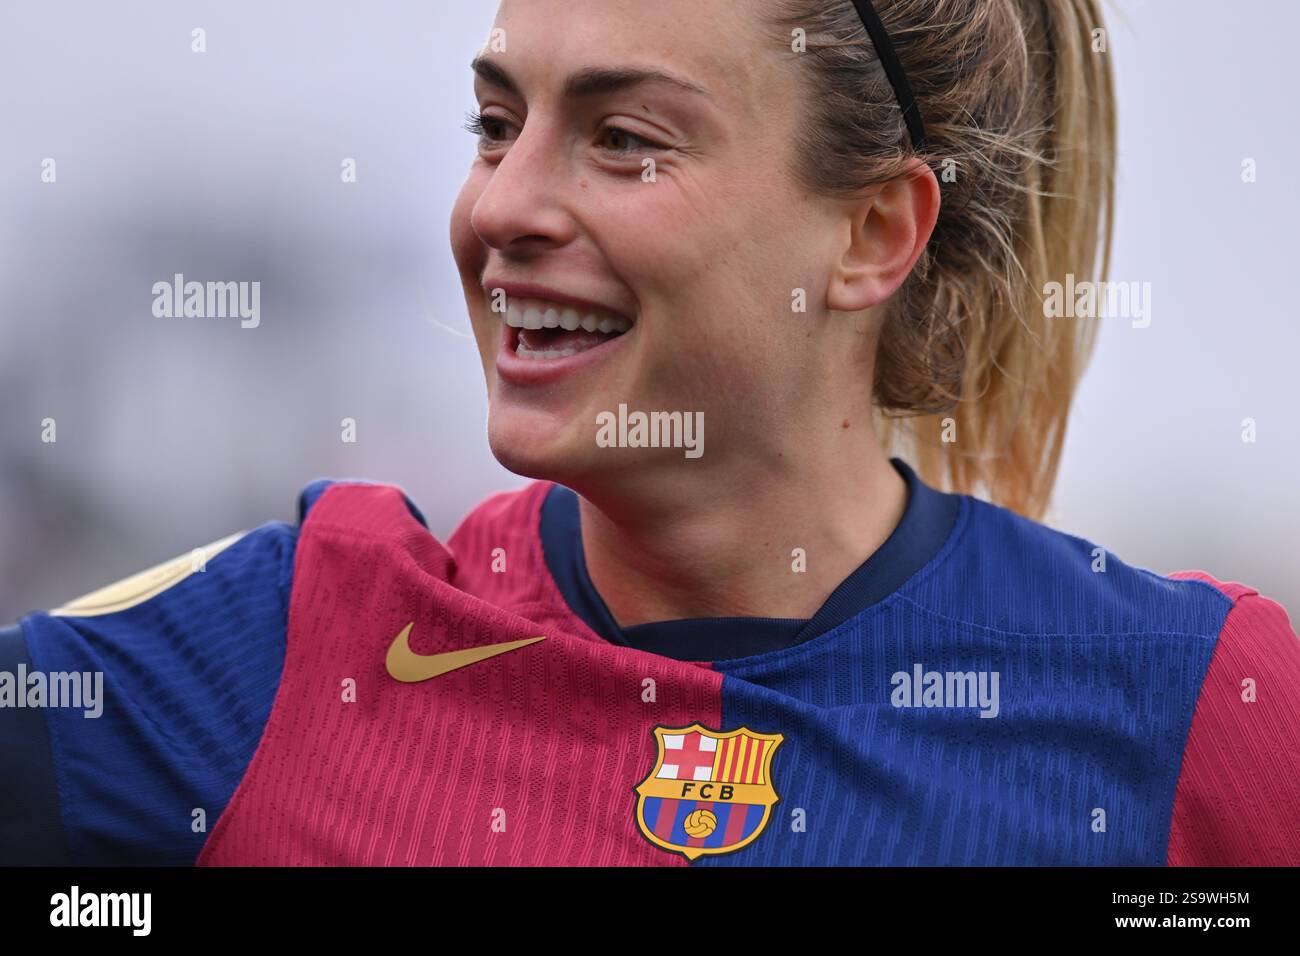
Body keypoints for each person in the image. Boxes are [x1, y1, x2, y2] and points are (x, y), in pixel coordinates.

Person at [2, 0, 1297, 866]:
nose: (503, 204)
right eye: (496, 126)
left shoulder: (1191, 702)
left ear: (872, 235)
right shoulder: (280, 647)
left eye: (623, 142)